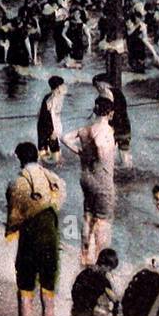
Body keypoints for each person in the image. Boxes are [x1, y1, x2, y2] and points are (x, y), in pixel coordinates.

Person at [4, 142, 65, 316]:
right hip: (51, 241)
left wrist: (10, 231)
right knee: (48, 295)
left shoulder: (17, 183)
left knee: (26, 292)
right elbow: (58, 201)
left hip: (30, 242)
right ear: (37, 158)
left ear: (20, 159)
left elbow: (14, 216)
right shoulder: (52, 178)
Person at [62, 96, 117, 266]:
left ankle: (85, 256)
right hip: (102, 180)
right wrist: (103, 156)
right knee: (103, 220)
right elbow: (100, 145)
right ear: (110, 113)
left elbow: (64, 138)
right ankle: (101, 261)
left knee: (88, 217)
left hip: (86, 178)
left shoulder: (85, 129)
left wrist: (79, 151)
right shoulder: (106, 131)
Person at [37, 75, 65, 165]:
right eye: (62, 85)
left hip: (42, 124)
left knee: (43, 150)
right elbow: (52, 115)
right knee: (56, 155)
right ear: (58, 87)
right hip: (49, 125)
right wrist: (54, 131)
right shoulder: (54, 98)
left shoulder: (48, 96)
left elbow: (40, 112)